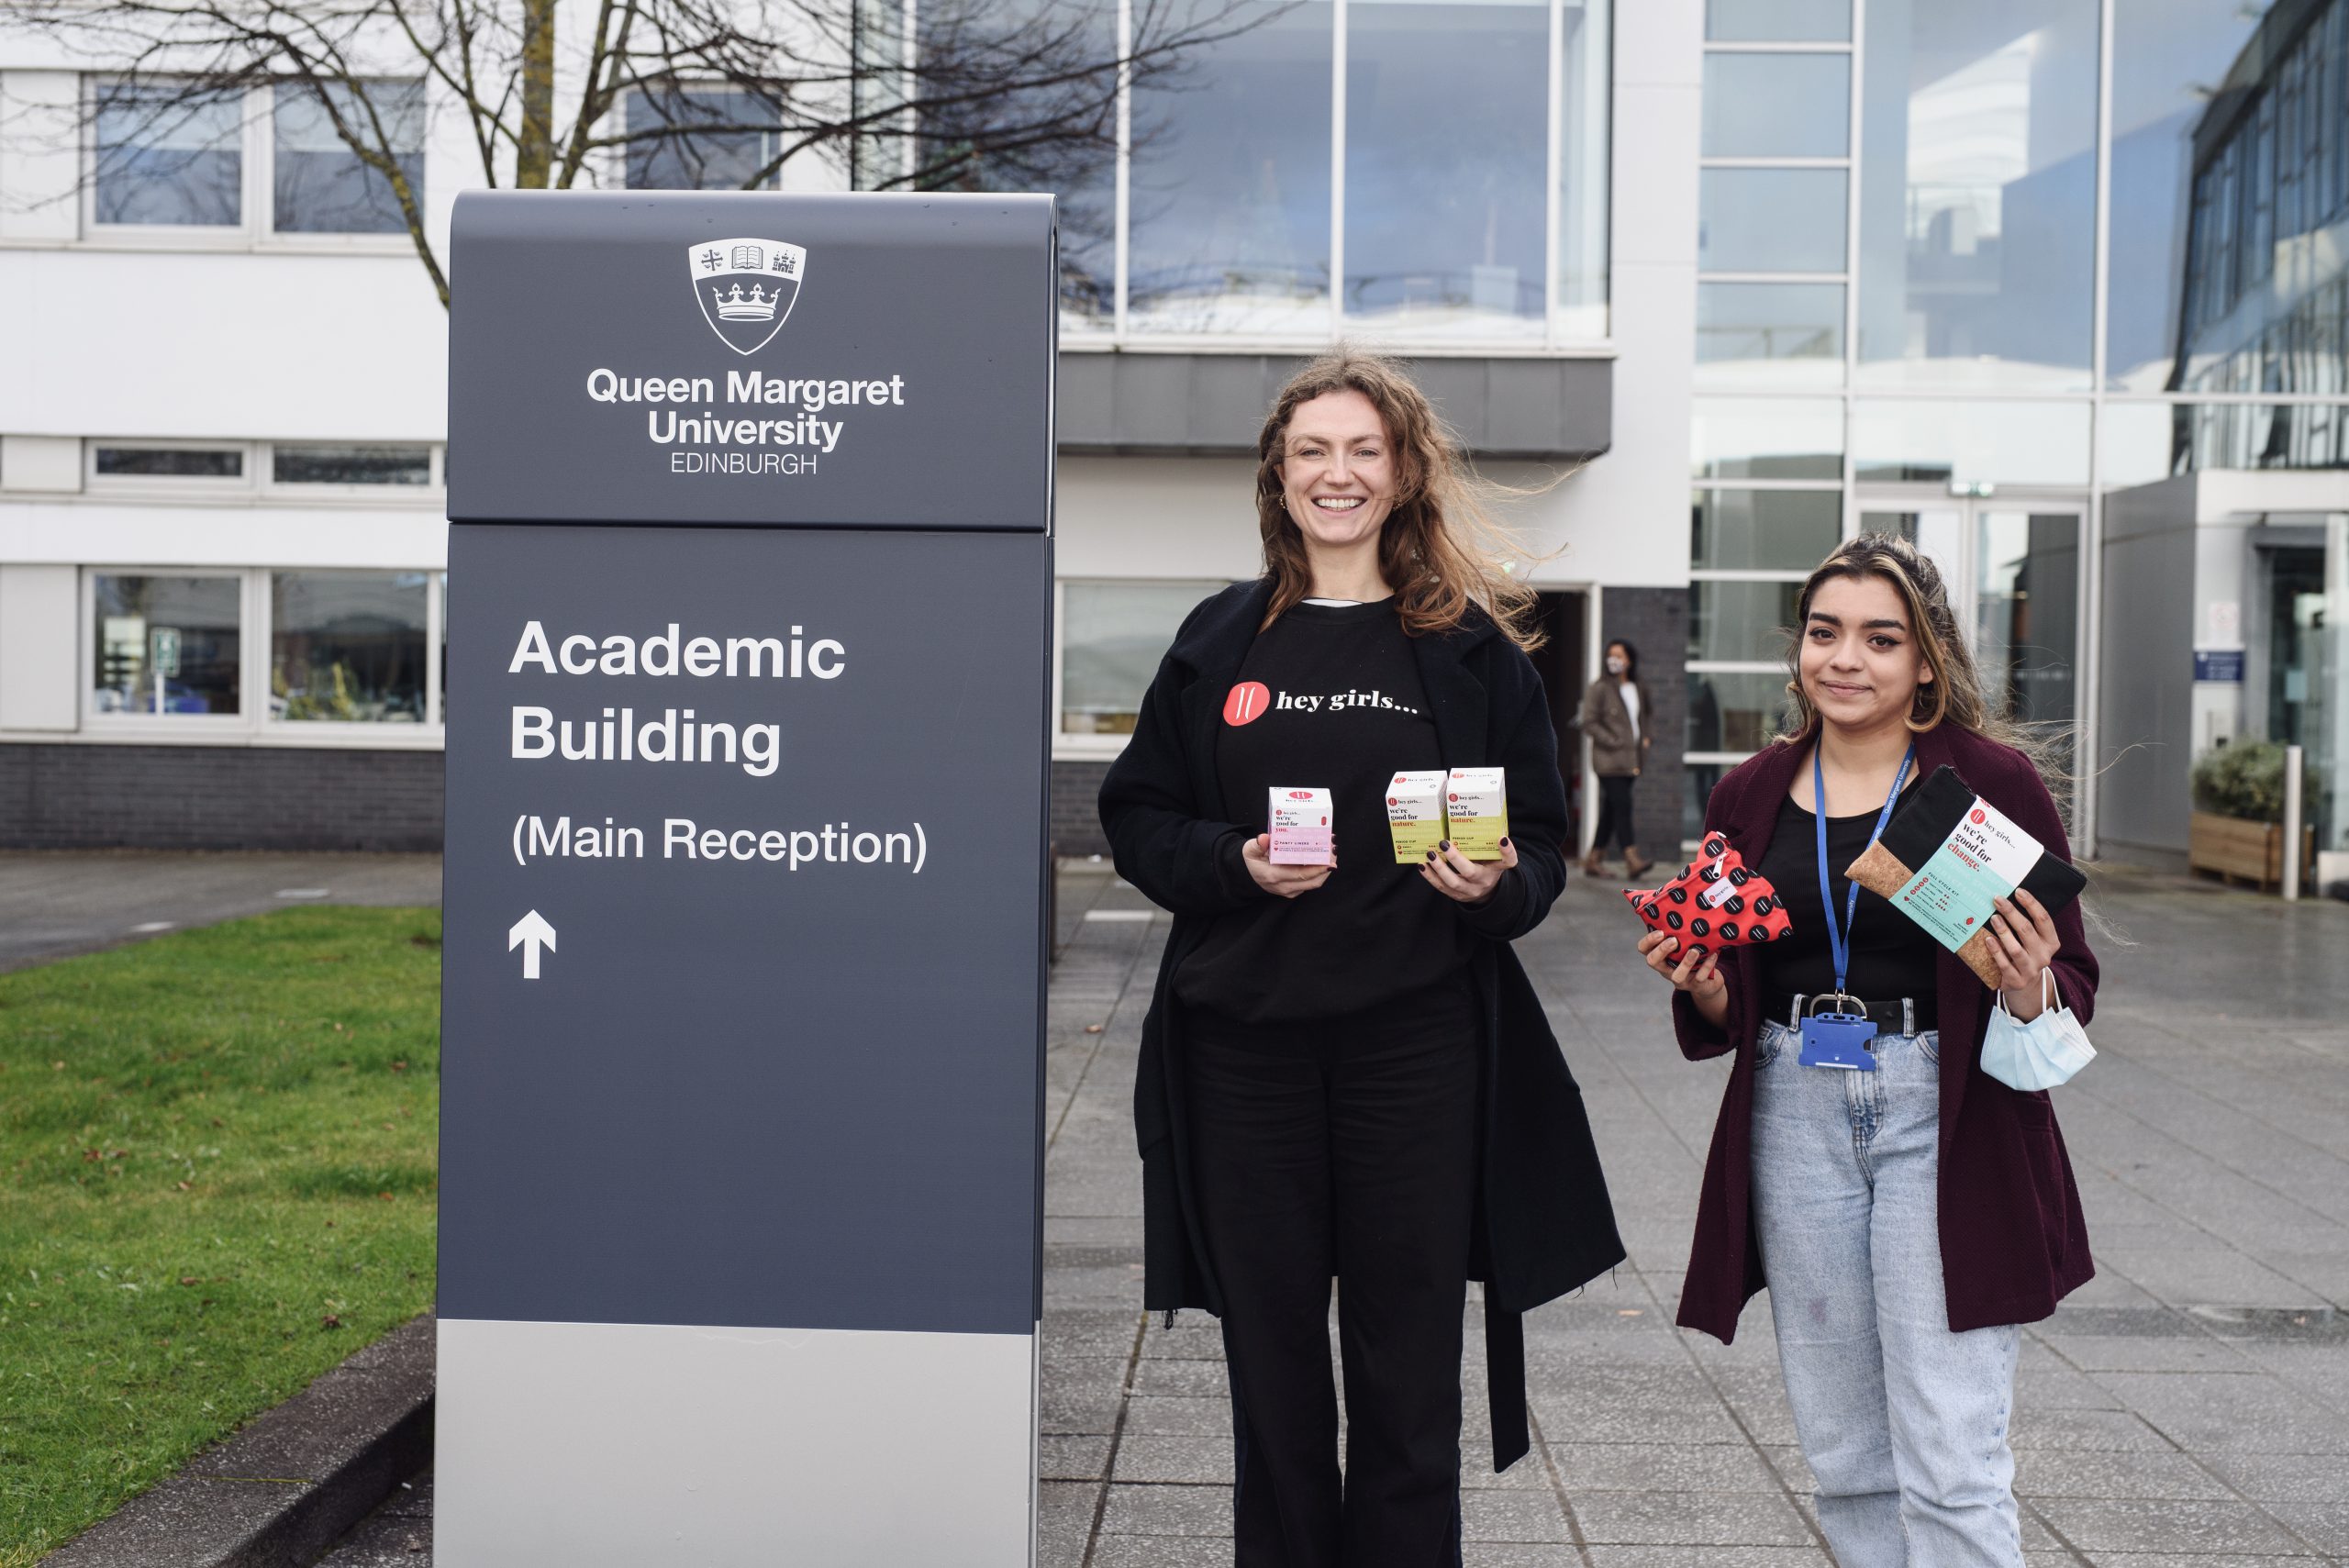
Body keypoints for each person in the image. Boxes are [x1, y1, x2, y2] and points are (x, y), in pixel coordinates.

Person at [1098, 350, 1624, 1567]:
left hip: (1415, 1051)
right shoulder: (1219, 639)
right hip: (1245, 1054)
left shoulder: (1470, 649)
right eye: (1312, 453)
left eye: (1362, 450)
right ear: (1278, 480)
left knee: (1407, 1368)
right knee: (1270, 1367)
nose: (1337, 474)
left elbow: (1537, 846)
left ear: (1402, 473)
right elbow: (1137, 818)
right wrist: (1236, 865)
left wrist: (1499, 885)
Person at [1639, 533, 2099, 1568]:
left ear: (1925, 659)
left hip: (1945, 1110)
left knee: (1949, 1450)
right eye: (1823, 632)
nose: (1845, 658)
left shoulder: (1990, 782)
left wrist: (2025, 977)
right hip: (1793, 1104)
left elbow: (2069, 980)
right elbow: (1733, 977)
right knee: (1846, 1454)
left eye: (1879, 638)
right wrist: (1708, 990)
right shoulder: (1747, 792)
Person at [1578, 639, 1653, 879]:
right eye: (1611, 655)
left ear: (1629, 660)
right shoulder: (1599, 687)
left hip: (1633, 760)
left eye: (1619, 655)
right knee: (1622, 805)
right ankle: (1632, 859)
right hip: (1608, 761)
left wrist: (1647, 737)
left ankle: (1593, 859)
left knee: (1611, 809)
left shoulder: (1637, 686)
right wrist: (1615, 741)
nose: (1614, 660)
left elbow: (1647, 715)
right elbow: (1588, 722)